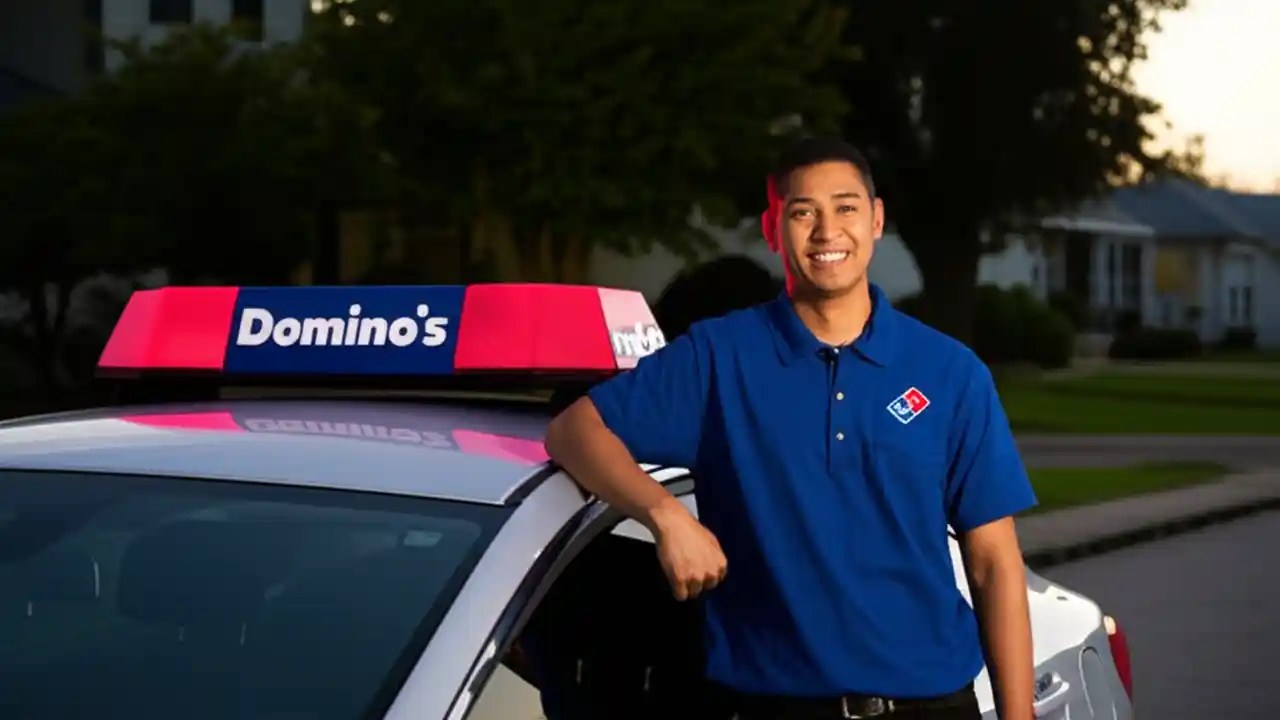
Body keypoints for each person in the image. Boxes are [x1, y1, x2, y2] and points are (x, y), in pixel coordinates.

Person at [544, 136, 1038, 720]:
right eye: (803, 212)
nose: (828, 231)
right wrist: (664, 515)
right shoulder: (718, 356)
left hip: (931, 706)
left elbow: (992, 563)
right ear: (773, 229)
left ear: (876, 220)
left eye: (846, 207)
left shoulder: (952, 373)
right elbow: (574, 432)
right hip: (771, 707)